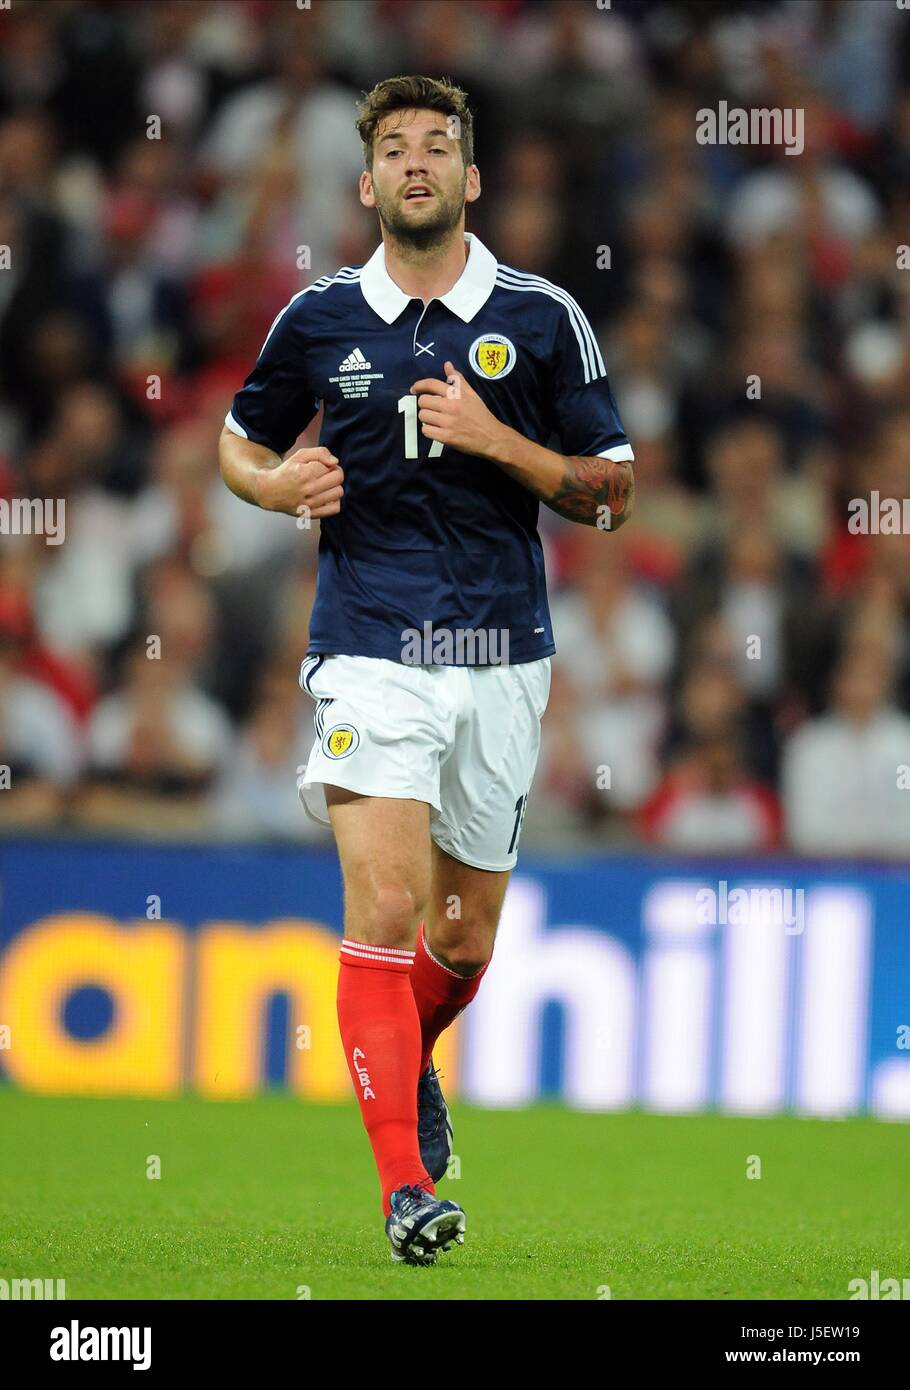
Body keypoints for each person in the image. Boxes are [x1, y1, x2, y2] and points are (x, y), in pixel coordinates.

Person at [219, 75, 634, 1266]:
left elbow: (613, 494)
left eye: (437, 147)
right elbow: (239, 439)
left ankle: (416, 1053)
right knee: (388, 910)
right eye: (393, 148)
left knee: (461, 943)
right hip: (368, 646)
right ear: (364, 184)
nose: (415, 163)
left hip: (504, 657)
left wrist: (498, 438)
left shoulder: (543, 316)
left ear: (471, 179)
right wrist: (270, 483)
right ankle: (406, 1187)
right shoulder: (317, 319)